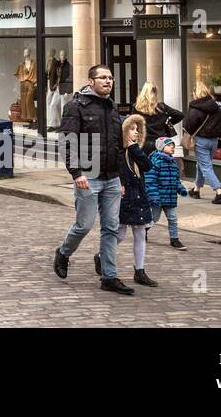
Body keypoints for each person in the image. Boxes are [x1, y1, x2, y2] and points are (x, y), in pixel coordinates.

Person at [53, 65, 132, 295]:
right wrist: (76, 173)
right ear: (91, 81)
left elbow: (119, 146)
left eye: (110, 78)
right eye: (103, 78)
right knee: (84, 225)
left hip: (112, 178)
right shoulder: (75, 107)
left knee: (111, 228)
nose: (108, 81)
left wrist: (122, 178)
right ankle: (64, 252)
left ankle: (109, 276)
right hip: (88, 177)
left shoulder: (113, 107)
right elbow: (67, 142)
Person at [114, 113, 156, 288]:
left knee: (140, 234)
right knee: (120, 233)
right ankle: (102, 256)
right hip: (125, 197)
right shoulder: (118, 151)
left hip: (139, 196)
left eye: (138, 129)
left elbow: (147, 165)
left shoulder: (135, 151)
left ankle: (140, 270)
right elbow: (116, 171)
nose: (136, 132)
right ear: (124, 131)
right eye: (132, 129)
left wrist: (135, 149)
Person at [183, 83, 221, 204]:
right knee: (201, 165)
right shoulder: (215, 106)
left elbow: (189, 125)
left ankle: (219, 192)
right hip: (214, 141)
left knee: (206, 167)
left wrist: (187, 131)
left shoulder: (195, 106)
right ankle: (196, 189)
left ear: (196, 93)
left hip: (201, 141)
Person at [145, 136, 189, 250]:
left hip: (170, 197)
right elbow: (150, 180)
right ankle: (143, 230)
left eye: (173, 146)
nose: (172, 147)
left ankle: (174, 239)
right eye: (169, 145)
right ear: (161, 147)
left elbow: (175, 179)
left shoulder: (173, 163)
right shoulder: (155, 162)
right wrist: (154, 197)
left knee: (173, 218)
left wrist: (181, 189)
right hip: (158, 198)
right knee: (154, 218)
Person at [134, 83, 184, 151]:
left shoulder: (137, 108)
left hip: (143, 141)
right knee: (159, 160)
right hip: (160, 142)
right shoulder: (161, 107)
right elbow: (180, 115)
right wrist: (167, 123)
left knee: (144, 161)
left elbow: (133, 123)